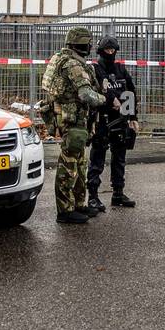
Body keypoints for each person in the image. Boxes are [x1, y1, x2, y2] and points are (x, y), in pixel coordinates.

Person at [40, 25, 107, 225]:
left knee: (80, 165)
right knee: (68, 165)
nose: (91, 47)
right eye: (89, 43)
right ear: (82, 44)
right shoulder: (73, 65)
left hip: (76, 121)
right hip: (73, 121)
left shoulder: (64, 59)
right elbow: (86, 95)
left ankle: (79, 205)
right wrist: (105, 99)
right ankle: (65, 211)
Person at [87, 36, 138, 211]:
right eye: (107, 50)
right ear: (100, 51)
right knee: (97, 159)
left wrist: (133, 118)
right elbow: (101, 89)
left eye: (113, 50)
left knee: (120, 159)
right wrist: (112, 99)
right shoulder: (94, 69)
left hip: (121, 121)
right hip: (102, 121)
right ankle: (93, 197)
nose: (110, 53)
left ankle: (118, 193)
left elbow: (131, 92)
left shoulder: (120, 69)